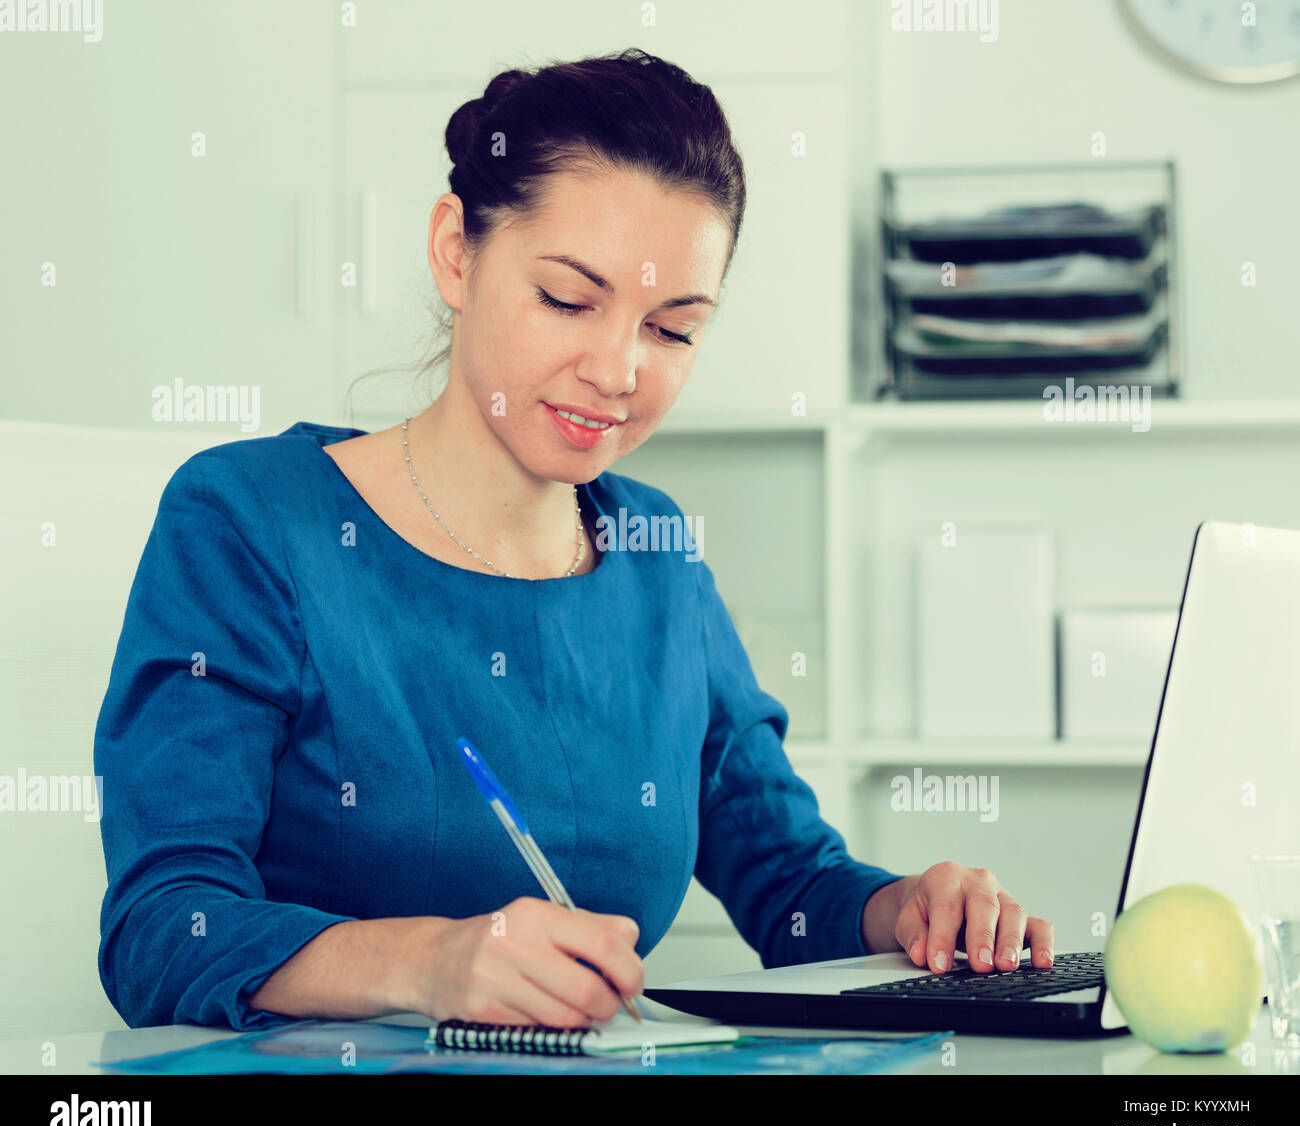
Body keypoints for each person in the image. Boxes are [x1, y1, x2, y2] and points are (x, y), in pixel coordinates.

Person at [95, 48, 1053, 1032]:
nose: (618, 370)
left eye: (673, 329)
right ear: (455, 252)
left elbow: (787, 880)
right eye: (567, 299)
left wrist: (910, 913)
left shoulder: (656, 551)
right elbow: (165, 927)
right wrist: (433, 963)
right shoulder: (249, 521)